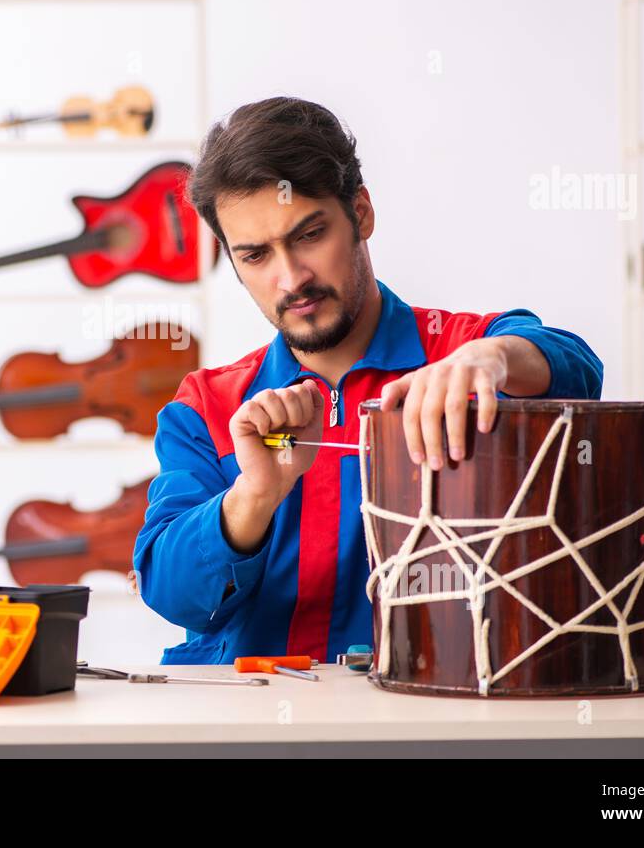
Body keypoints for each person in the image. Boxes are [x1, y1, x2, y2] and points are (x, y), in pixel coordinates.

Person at [133, 97, 603, 664]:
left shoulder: (460, 350)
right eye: (256, 255)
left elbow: (578, 372)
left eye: (309, 235)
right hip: (257, 732)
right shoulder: (207, 406)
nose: (291, 278)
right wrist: (253, 497)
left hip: (437, 716)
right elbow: (172, 594)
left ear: (361, 212)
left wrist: (495, 358)